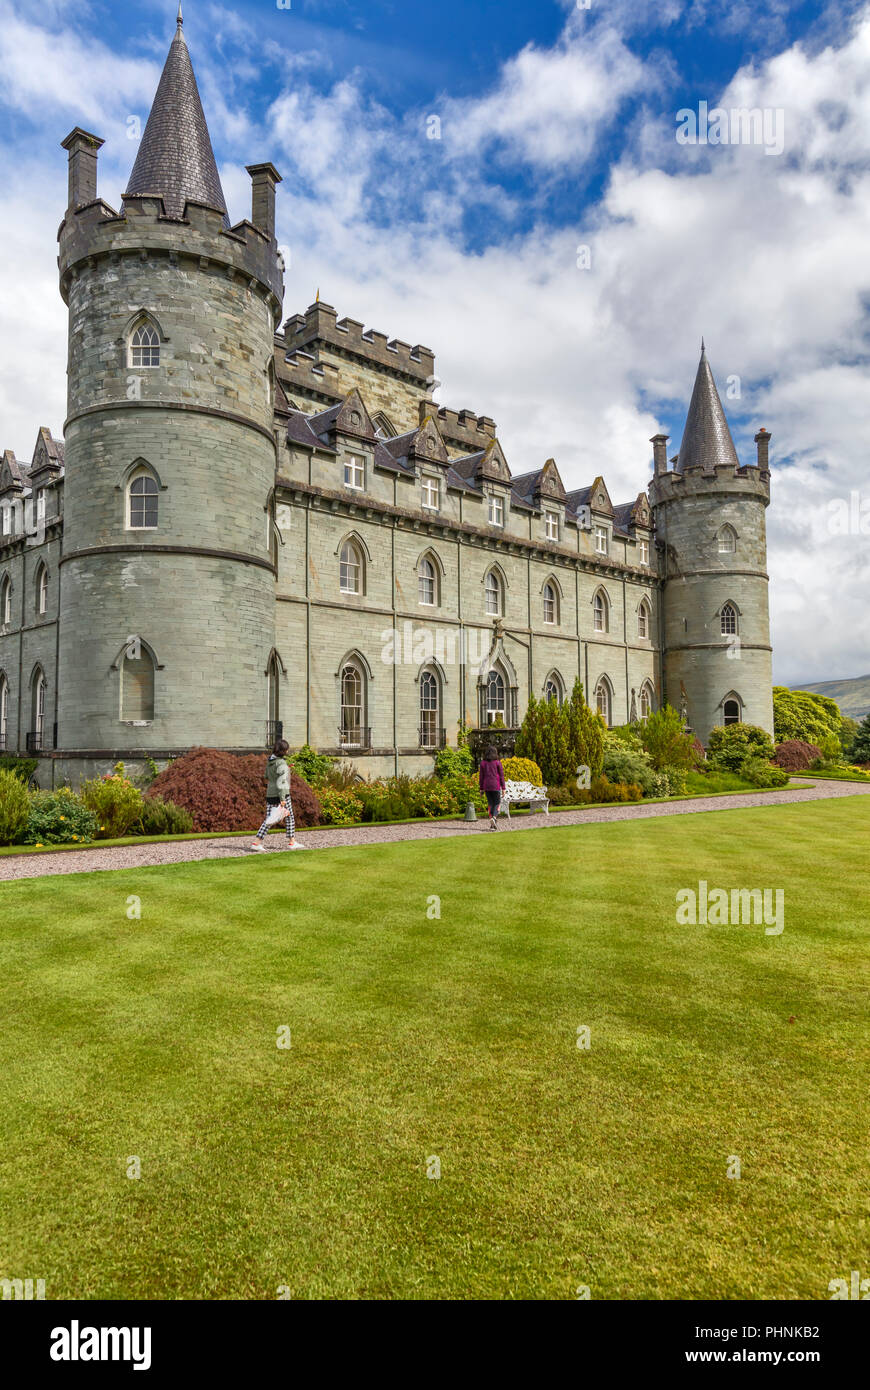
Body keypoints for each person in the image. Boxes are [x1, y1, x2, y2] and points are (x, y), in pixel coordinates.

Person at [250, 738, 305, 852]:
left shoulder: (270, 761)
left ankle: (258, 842)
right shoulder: (281, 763)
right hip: (281, 795)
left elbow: (267, 776)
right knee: (289, 819)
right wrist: (282, 798)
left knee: (270, 819)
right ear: (283, 751)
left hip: (270, 794)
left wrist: (286, 770)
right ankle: (290, 843)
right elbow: (282, 783)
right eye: (287, 750)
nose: (287, 752)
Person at [478, 745, 506, 831]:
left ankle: (492, 826)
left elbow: (481, 777)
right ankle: (494, 817)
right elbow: (501, 776)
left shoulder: (483, 763)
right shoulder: (498, 762)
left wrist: (481, 788)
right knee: (497, 803)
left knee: (490, 804)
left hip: (487, 786)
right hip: (495, 785)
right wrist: (503, 788)